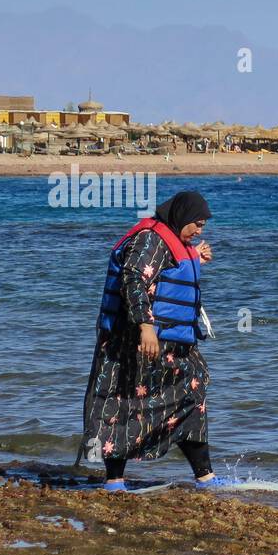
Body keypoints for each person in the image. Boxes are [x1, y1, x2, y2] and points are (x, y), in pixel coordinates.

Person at [80, 191, 234, 490]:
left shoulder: (172, 240)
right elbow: (133, 278)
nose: (200, 230)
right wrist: (145, 325)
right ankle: (114, 480)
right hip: (134, 341)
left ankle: (205, 476)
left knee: (193, 391)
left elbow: (164, 277)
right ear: (181, 217)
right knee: (123, 403)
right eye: (197, 224)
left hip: (172, 343)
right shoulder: (150, 238)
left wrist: (195, 258)